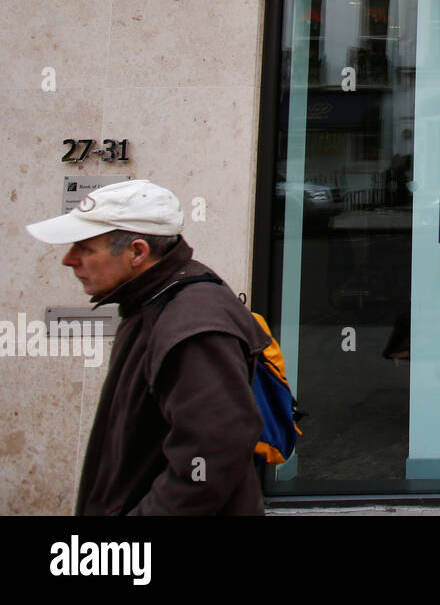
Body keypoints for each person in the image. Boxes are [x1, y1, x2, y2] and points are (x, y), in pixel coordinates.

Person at [26, 179, 268, 515]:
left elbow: (212, 456)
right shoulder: (151, 302)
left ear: (137, 252)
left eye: (84, 247)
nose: (69, 260)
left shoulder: (193, 321)